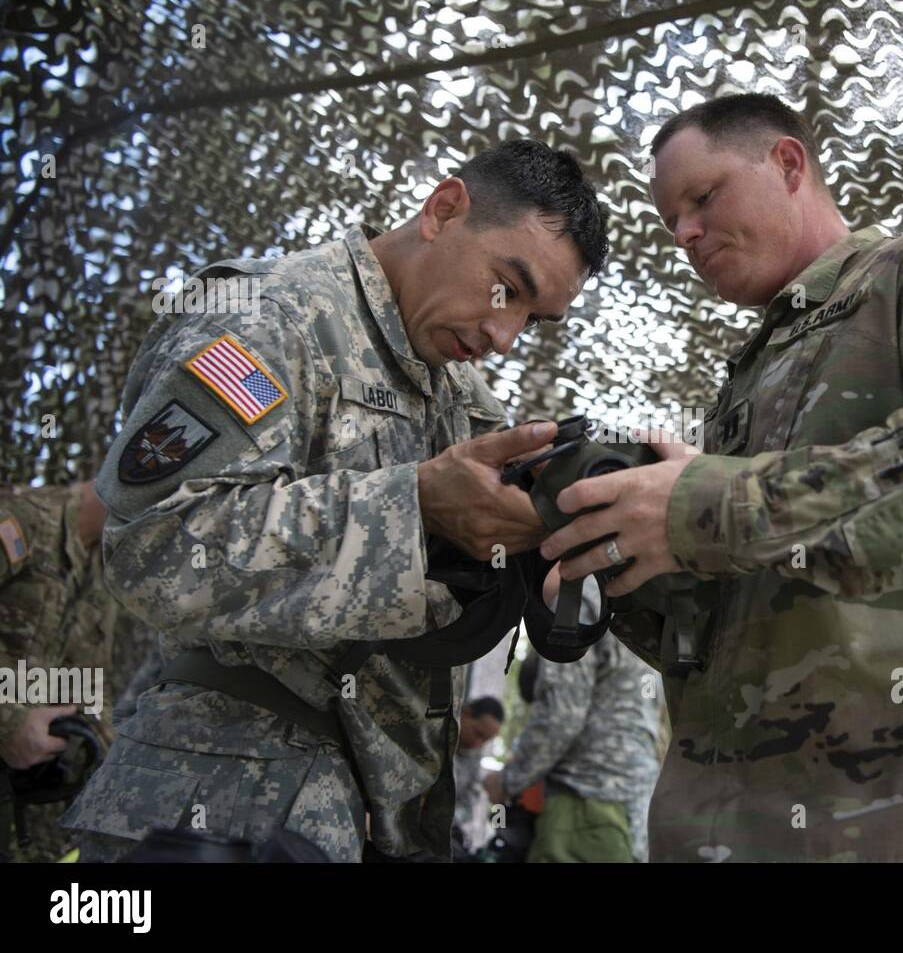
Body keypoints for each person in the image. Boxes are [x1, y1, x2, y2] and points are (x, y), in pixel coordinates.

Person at [539, 93, 903, 861]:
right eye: (672, 219)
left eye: (702, 197)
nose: (684, 233)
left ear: (787, 164)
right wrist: (601, 538)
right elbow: (743, 614)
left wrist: (709, 505)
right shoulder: (748, 377)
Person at [60, 139, 609, 862]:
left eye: (532, 320)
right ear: (444, 209)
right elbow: (154, 543)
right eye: (506, 287)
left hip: (365, 811)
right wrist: (415, 509)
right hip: (218, 797)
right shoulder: (271, 317)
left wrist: (530, 540)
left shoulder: (461, 397)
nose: (504, 336)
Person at [1, 482, 118, 862]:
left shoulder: (99, 570)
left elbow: (85, 684)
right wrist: (9, 723)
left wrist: (113, 766)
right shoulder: (24, 520)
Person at [484, 635, 662, 862]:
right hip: (636, 811)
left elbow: (560, 719)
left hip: (585, 807)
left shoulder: (573, 615)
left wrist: (505, 781)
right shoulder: (636, 625)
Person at [452, 695, 504, 854]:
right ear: (465, 714)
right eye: (478, 733)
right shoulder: (432, 738)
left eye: (485, 740)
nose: (478, 744)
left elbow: (469, 801)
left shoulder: (474, 753)